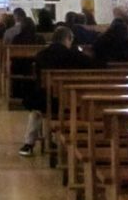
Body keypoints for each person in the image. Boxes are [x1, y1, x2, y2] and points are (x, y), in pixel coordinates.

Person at [19, 26, 93, 155]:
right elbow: (93, 64)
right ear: (68, 39)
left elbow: (36, 80)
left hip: (47, 100)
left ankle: (28, 143)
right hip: (73, 100)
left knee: (36, 110)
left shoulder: (42, 55)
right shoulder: (74, 55)